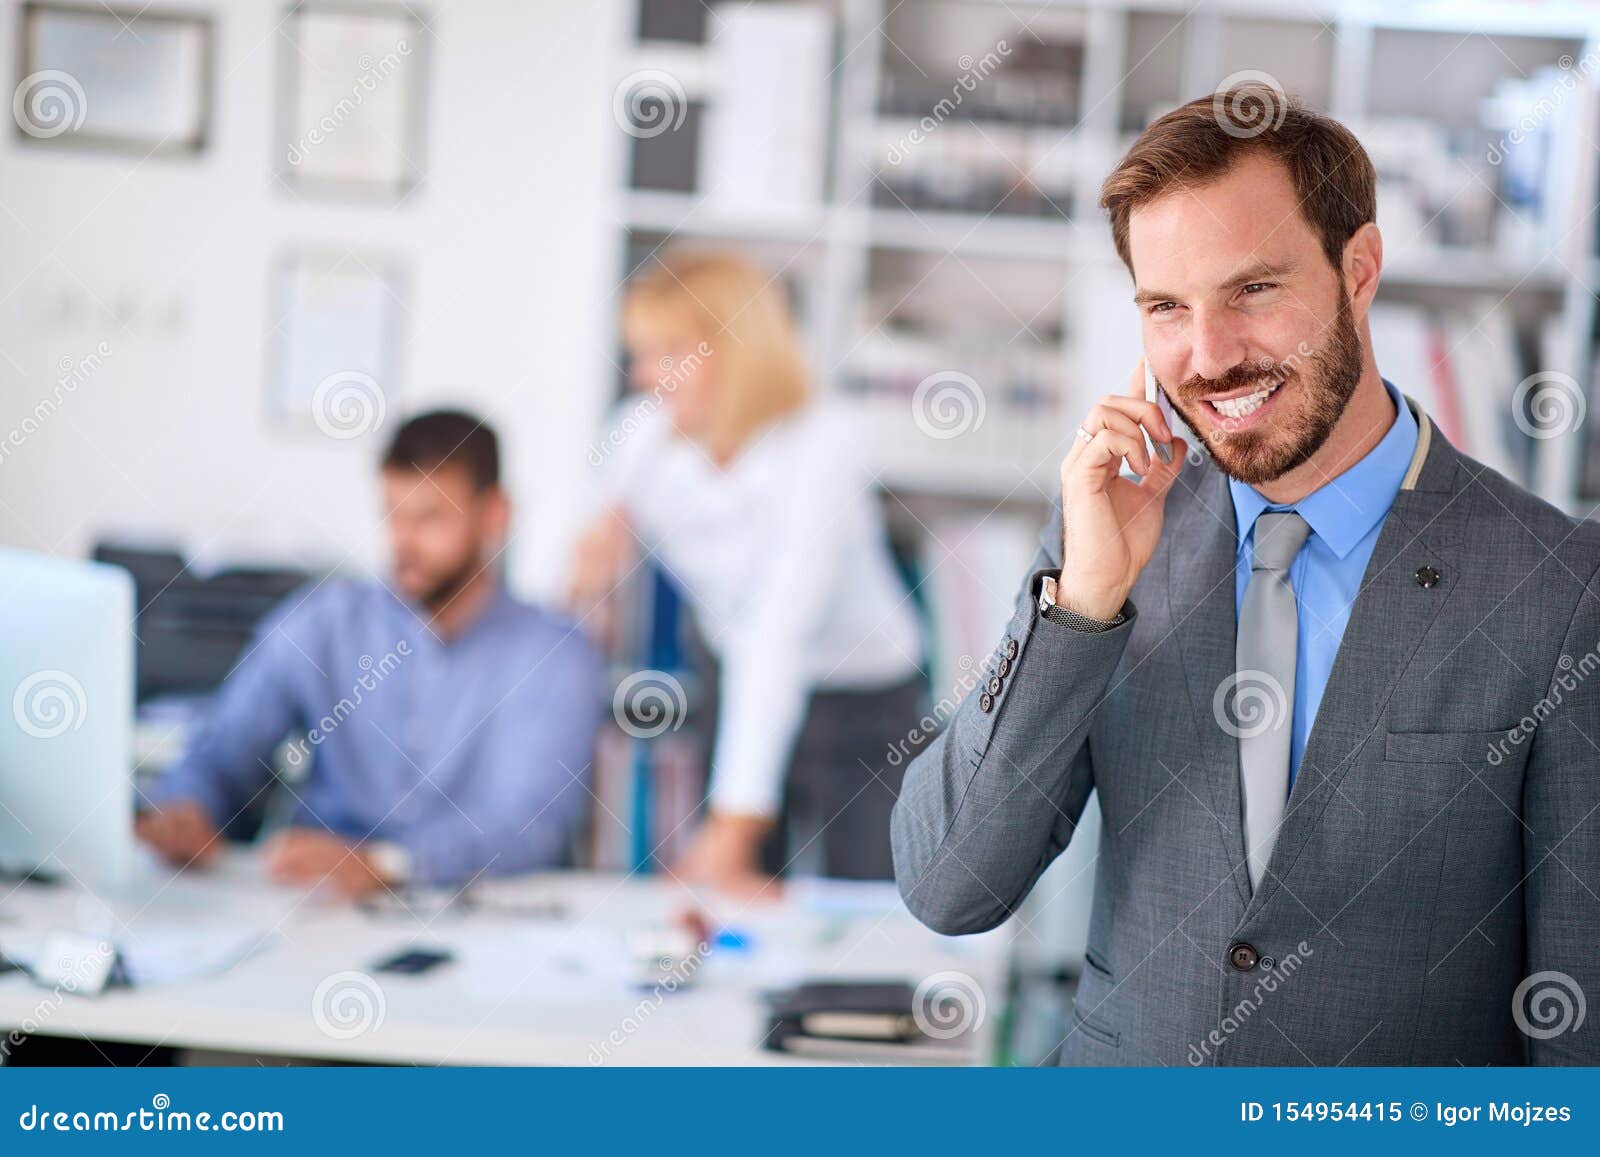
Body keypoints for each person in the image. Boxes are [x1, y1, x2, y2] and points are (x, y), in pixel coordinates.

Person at [892, 86, 1600, 1065]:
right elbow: (948, 883)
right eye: (1166, 308)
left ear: (1358, 269)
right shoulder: (1112, 531)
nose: (1210, 355)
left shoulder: (1559, 589)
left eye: (1253, 290)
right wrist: (1082, 605)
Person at [138, 410, 605, 898]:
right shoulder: (324, 621)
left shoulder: (555, 654)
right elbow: (222, 748)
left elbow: (529, 827)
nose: (403, 542)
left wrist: (388, 864)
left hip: (467, 916)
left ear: (494, 515)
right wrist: (188, 809)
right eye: (392, 514)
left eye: (430, 518)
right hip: (313, 907)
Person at [572, 251, 925, 891]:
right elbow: (578, 563)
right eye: (641, 352)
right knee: (736, 905)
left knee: (871, 902)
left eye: (668, 350)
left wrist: (733, 829)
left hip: (863, 703)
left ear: (736, 348)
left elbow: (779, 628)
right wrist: (587, 567)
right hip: (735, 679)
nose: (647, 375)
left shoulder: (824, 442)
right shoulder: (638, 436)